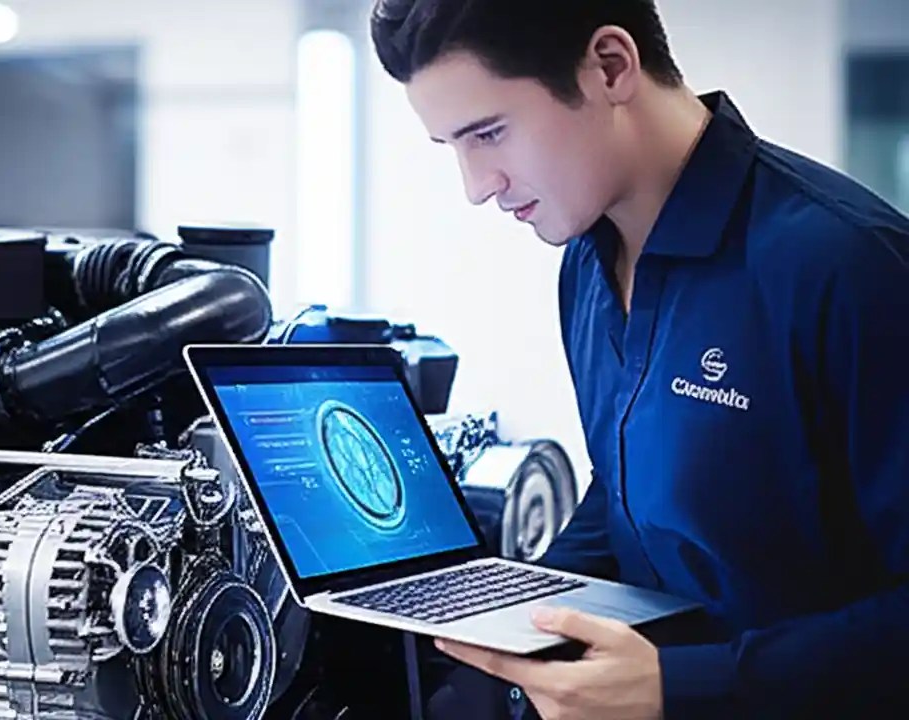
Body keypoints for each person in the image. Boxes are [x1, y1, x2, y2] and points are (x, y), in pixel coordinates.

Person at [368, 1, 909, 719]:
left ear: (611, 66)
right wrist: (510, 607)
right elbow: (629, 491)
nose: (478, 186)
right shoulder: (586, 268)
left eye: (490, 133)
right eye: (453, 148)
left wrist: (678, 688)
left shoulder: (847, 266)